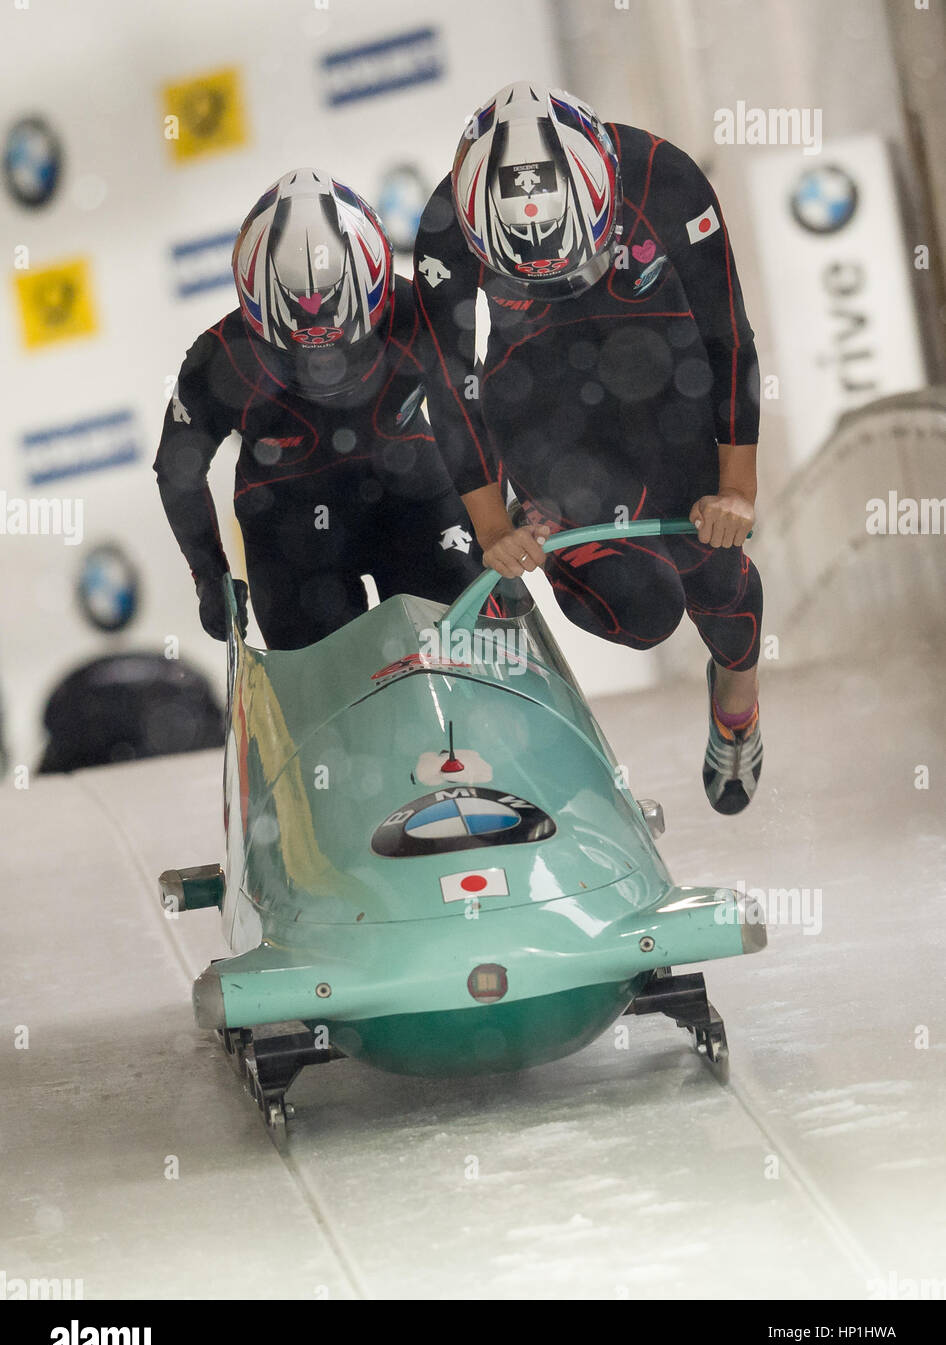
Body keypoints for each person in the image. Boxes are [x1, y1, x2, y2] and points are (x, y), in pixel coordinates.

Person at [413, 83, 763, 815]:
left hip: (665, 380)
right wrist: (492, 529)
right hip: (546, 407)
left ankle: (737, 686)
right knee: (644, 612)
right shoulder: (447, 221)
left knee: (718, 585)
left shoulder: (665, 176)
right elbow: (451, 385)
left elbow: (726, 333)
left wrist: (736, 489)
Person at [154, 167, 482, 652]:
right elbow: (178, 469)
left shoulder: (418, 312)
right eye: (298, 353)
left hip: (412, 499)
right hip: (290, 531)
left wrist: (496, 514)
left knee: (469, 646)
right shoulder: (220, 359)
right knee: (325, 681)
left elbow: (473, 407)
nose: (326, 370)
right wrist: (210, 576)